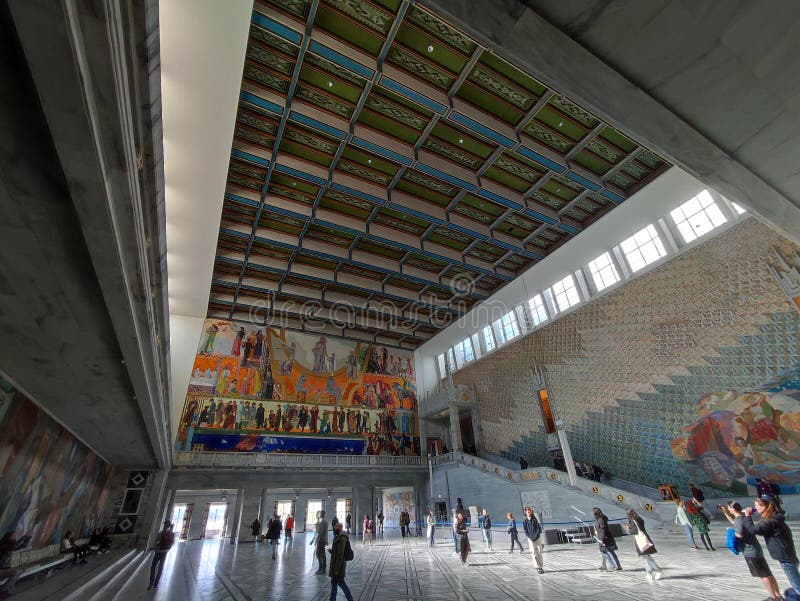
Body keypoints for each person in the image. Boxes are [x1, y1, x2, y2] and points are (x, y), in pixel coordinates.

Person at [719, 502, 782, 600]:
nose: (729, 509)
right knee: (768, 573)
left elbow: (739, 534)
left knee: (763, 575)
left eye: (729, 508)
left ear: (733, 509)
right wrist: (725, 512)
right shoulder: (744, 518)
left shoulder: (739, 521)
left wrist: (730, 532)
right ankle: (778, 595)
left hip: (750, 552)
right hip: (756, 549)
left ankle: (773, 597)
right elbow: (734, 521)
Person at [746, 497, 800, 594]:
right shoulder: (774, 517)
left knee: (796, 584)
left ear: (764, 506)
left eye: (756, 505)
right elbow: (762, 530)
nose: (755, 507)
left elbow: (753, 530)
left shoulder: (771, 520)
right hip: (788, 555)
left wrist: (748, 517)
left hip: (785, 556)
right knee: (796, 580)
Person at [626, 508, 662, 580]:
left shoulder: (632, 521)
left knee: (646, 557)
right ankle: (649, 573)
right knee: (646, 557)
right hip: (645, 538)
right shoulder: (639, 518)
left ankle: (658, 570)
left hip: (640, 541)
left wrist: (628, 529)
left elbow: (635, 531)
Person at [0, 529, 31, 599]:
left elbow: (23, 545)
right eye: (13, 536)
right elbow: (15, 545)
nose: (14, 537)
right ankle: (4, 591)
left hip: (4, 571)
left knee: (17, 571)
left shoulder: (10, 546)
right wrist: (25, 537)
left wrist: (27, 538)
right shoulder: (3, 546)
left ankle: (5, 591)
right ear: (8, 537)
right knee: (16, 572)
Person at [328, 520, 354, 601]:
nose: (334, 528)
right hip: (336, 565)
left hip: (338, 566)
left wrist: (336, 569)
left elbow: (340, 554)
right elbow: (337, 551)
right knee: (334, 583)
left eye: (336, 526)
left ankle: (350, 599)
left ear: (340, 528)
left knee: (341, 584)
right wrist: (331, 551)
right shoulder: (338, 537)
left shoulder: (342, 538)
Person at [148, 521, 175, 590]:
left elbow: (156, 542)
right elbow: (172, 543)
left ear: (165, 525)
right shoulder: (171, 534)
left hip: (158, 552)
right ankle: (156, 585)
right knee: (160, 568)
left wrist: (155, 548)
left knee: (153, 567)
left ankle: (151, 583)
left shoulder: (161, 533)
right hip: (164, 552)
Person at [523, 506, 544, 574]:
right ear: (525, 512)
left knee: (539, 552)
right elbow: (525, 530)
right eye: (527, 510)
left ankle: (541, 566)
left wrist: (536, 536)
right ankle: (538, 567)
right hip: (530, 539)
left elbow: (538, 528)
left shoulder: (534, 519)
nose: (529, 511)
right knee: (534, 553)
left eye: (529, 510)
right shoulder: (525, 521)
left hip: (537, 538)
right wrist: (530, 537)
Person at [315, 511, 329, 575]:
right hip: (323, 540)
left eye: (320, 514)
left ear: (322, 514)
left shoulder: (323, 522)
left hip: (322, 540)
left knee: (320, 554)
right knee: (320, 554)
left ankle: (322, 569)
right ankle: (321, 568)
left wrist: (317, 540)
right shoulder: (323, 521)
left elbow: (320, 532)